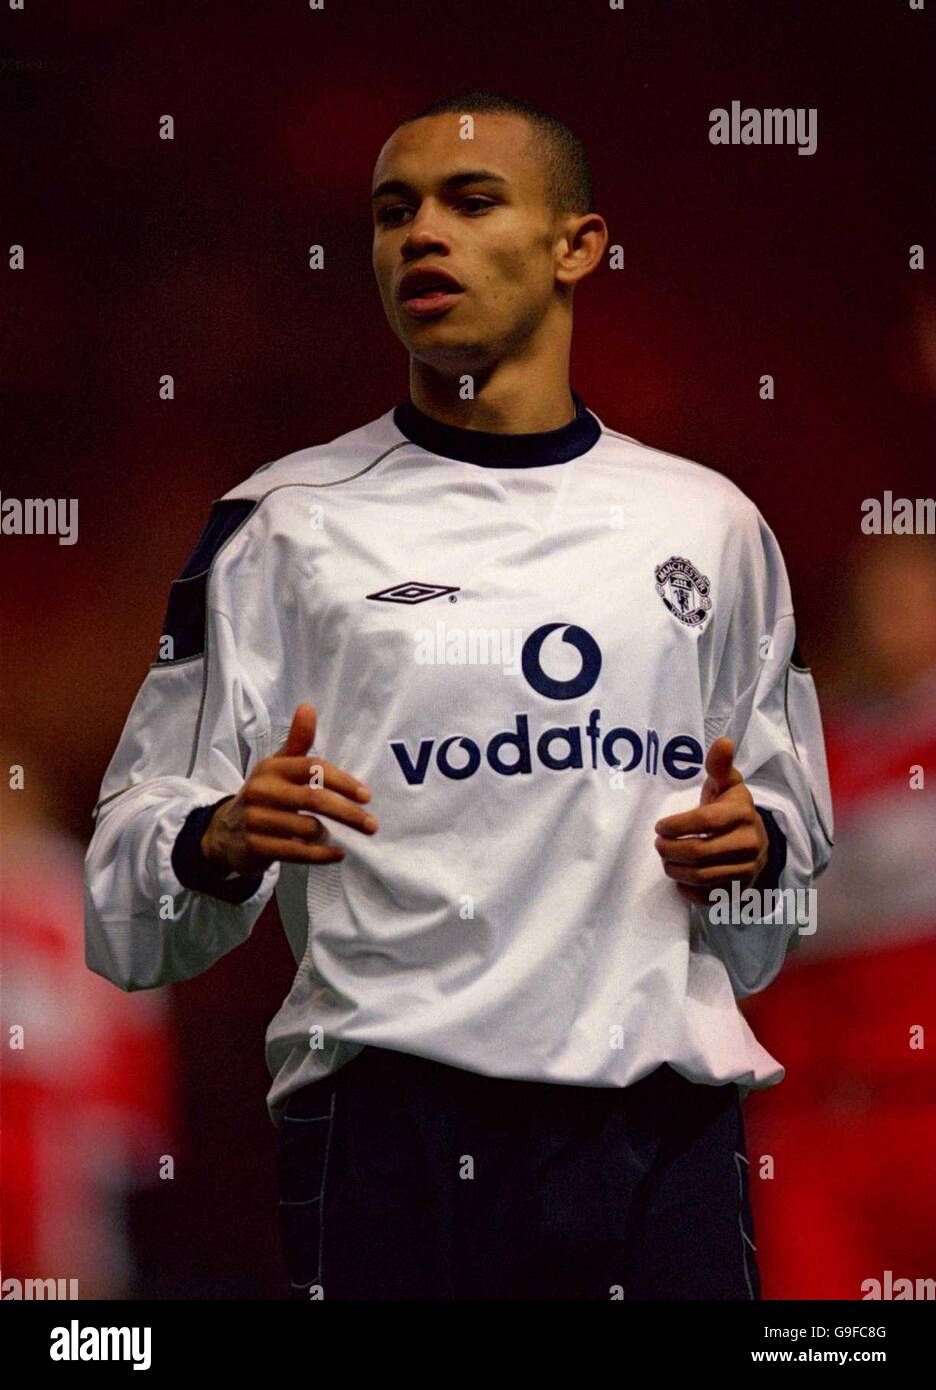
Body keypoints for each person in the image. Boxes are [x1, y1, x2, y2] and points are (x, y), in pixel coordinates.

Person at [84, 89, 833, 1300]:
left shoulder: (714, 524)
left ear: (577, 245)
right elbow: (126, 890)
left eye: (471, 201)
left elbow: (783, 880)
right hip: (390, 1138)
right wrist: (217, 836)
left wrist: (759, 846)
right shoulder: (282, 523)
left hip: (659, 1137)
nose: (419, 235)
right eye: (394, 213)